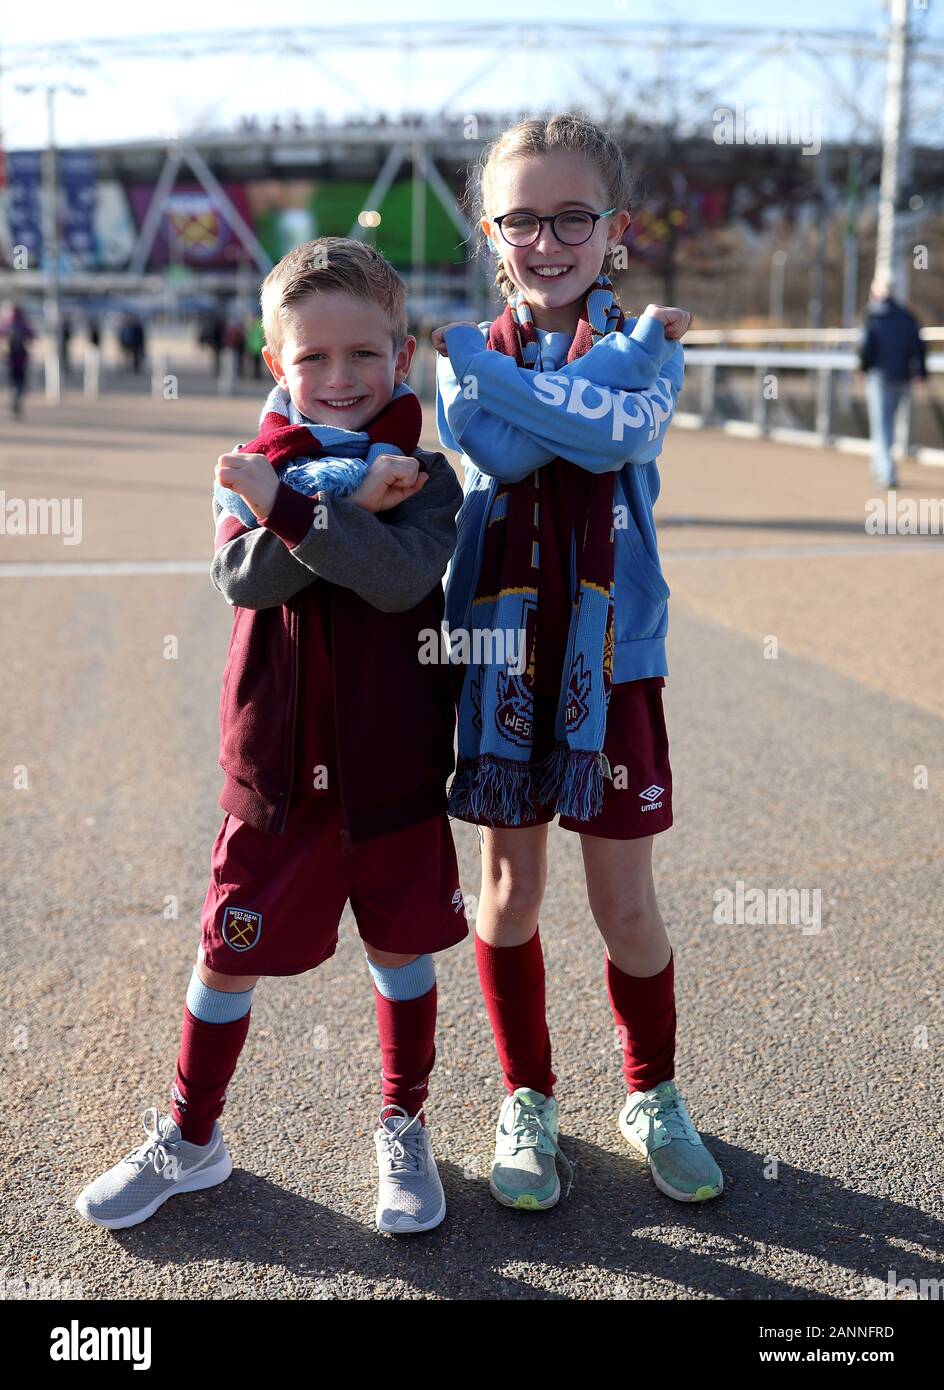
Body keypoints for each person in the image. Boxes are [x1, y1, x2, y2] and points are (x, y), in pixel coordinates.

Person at [75, 238, 468, 1236]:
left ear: (404, 355)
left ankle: (403, 1123)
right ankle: (192, 1136)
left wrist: (292, 506)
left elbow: (390, 580)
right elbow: (249, 576)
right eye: (312, 360)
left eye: (362, 356)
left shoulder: (428, 475)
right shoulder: (246, 469)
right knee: (227, 951)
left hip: (394, 769)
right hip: (274, 774)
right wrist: (327, 499)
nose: (339, 379)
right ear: (274, 366)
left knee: (400, 948)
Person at [433, 112, 723, 1210]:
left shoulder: (637, 356)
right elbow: (507, 449)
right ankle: (528, 1095)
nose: (545, 239)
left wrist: (504, 374)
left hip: (613, 654)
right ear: (489, 229)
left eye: (570, 216)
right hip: (505, 651)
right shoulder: (609, 352)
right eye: (520, 218)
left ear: (614, 229)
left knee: (625, 906)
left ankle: (650, 1089)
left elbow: (613, 439)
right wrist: (595, 386)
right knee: (504, 890)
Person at [858, 275, 928, 488]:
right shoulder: (908, 315)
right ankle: (879, 466)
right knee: (890, 424)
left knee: (881, 425)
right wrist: (921, 373)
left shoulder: (872, 315)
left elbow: (866, 346)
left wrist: (863, 368)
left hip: (879, 376)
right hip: (902, 376)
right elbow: (918, 346)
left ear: (876, 293)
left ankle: (886, 473)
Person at [0, 300, 35, 416]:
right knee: (21, 381)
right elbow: (32, 335)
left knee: (13, 380)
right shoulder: (23, 324)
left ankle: (14, 394)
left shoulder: (8, 323)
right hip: (22, 358)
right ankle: (17, 395)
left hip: (10, 358)